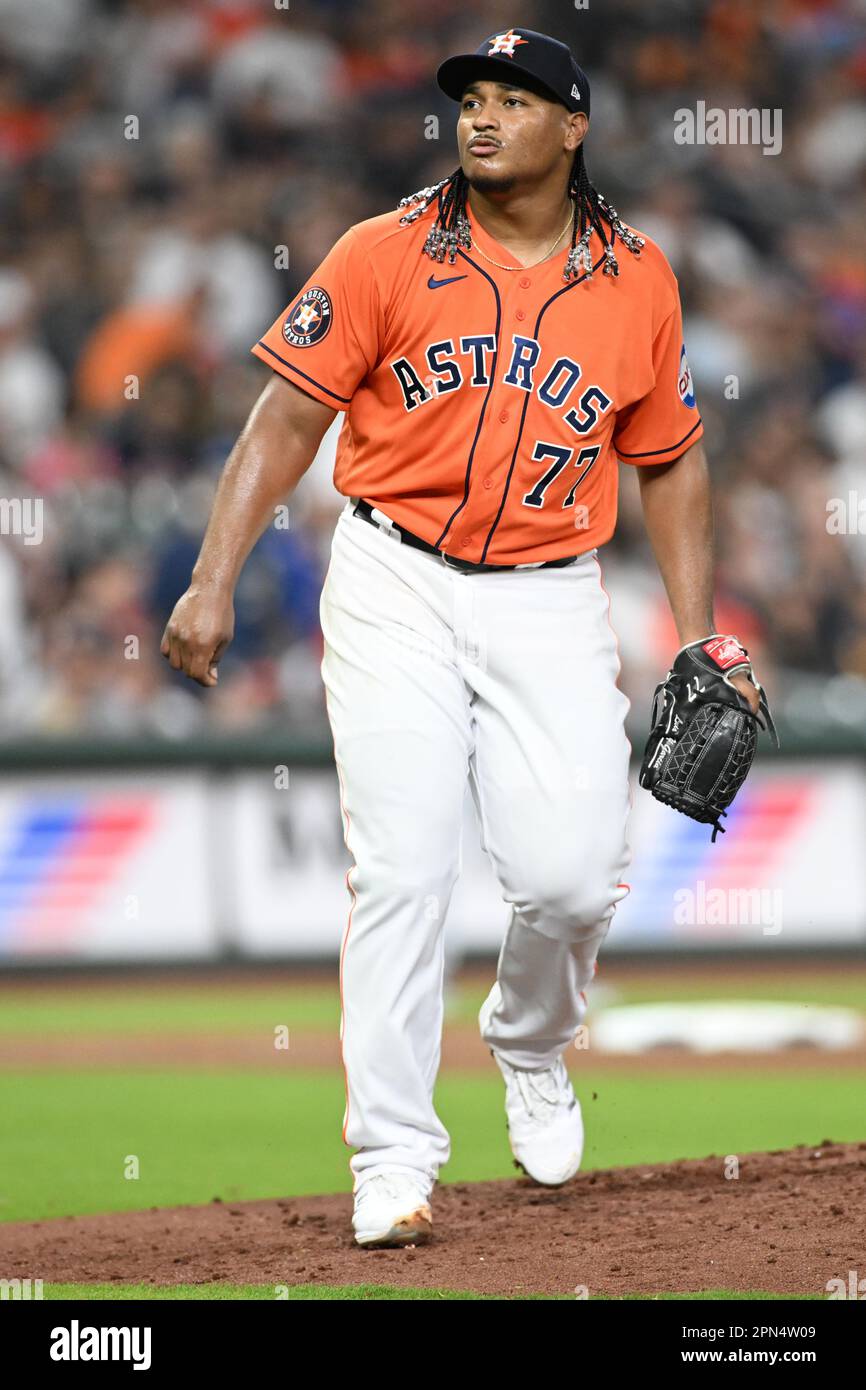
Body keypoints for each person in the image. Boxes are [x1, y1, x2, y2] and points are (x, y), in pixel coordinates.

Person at [161, 27, 762, 1249]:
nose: (481, 117)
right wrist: (211, 577)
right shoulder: (385, 251)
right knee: (400, 871)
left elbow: (671, 457)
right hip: (392, 576)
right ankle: (390, 1152)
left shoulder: (637, 274)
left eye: (513, 99)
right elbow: (284, 419)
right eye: (470, 98)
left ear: (573, 127)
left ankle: (529, 1039)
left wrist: (697, 638)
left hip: (549, 590)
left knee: (569, 877)